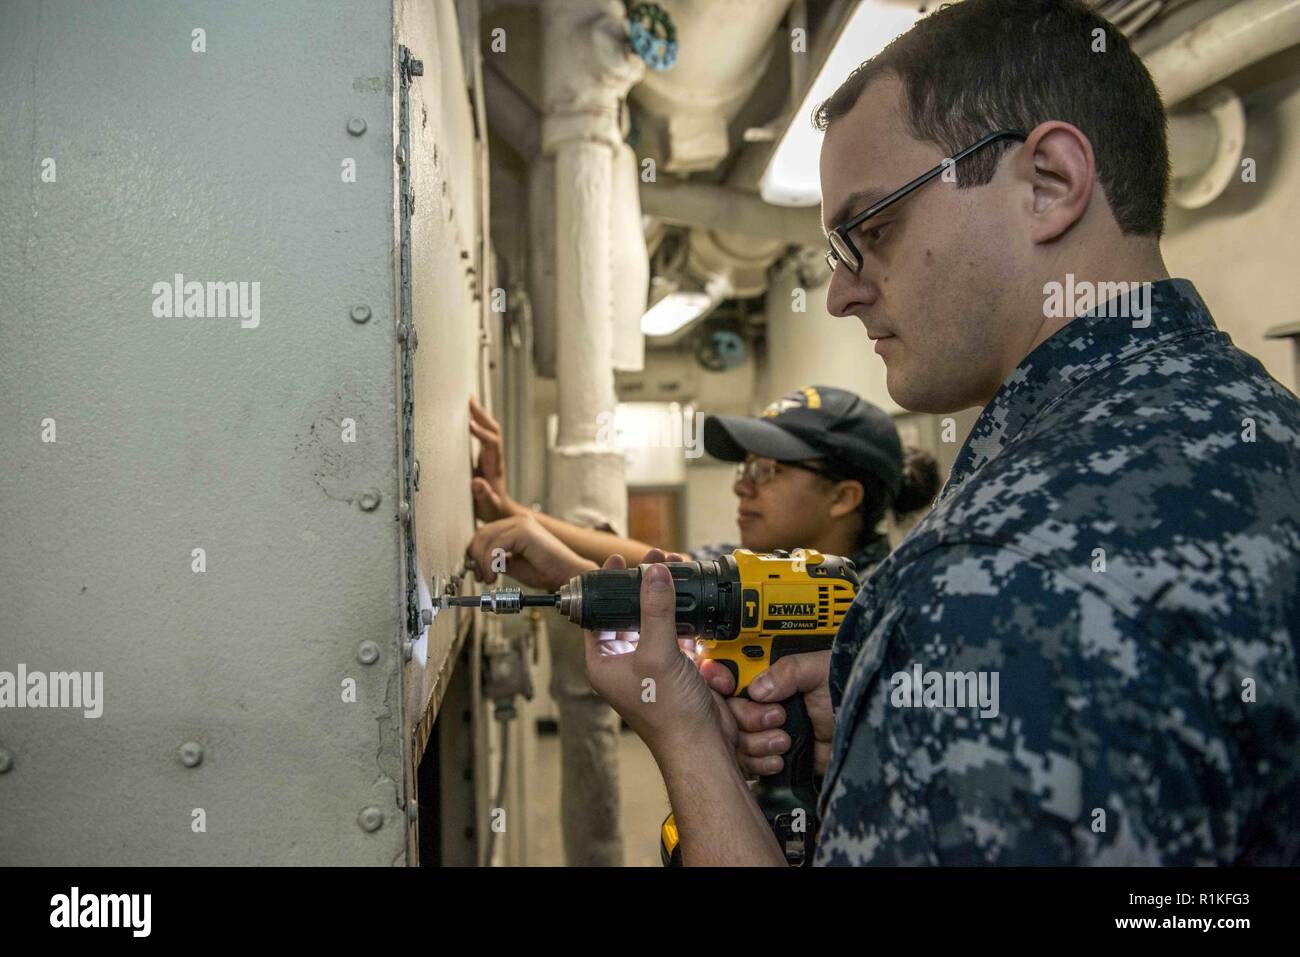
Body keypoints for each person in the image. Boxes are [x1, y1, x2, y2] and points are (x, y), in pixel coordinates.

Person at [576, 0, 1300, 865]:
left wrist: (688, 740)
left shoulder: (987, 584)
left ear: (1051, 183)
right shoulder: (1268, 432)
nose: (842, 293)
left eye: (873, 230)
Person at [465, 386, 939, 593]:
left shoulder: (868, 601)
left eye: (767, 471)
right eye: (745, 469)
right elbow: (653, 563)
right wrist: (510, 510)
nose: (743, 490)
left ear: (843, 498)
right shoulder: (771, 566)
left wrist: (569, 577)